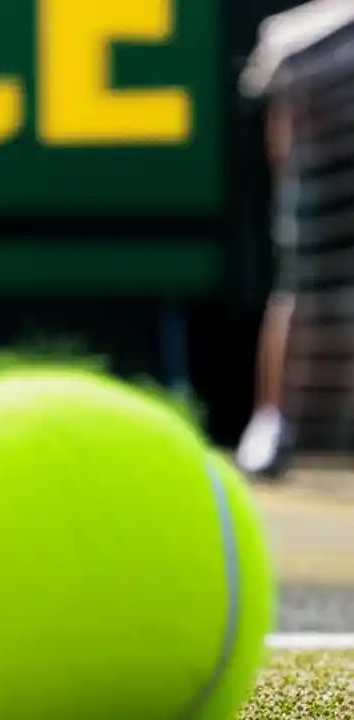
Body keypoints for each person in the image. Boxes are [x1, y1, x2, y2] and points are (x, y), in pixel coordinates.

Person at [237, 0, 354, 477]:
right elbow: (279, 129)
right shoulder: (299, 36)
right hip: (318, 197)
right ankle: (271, 421)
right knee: (292, 296)